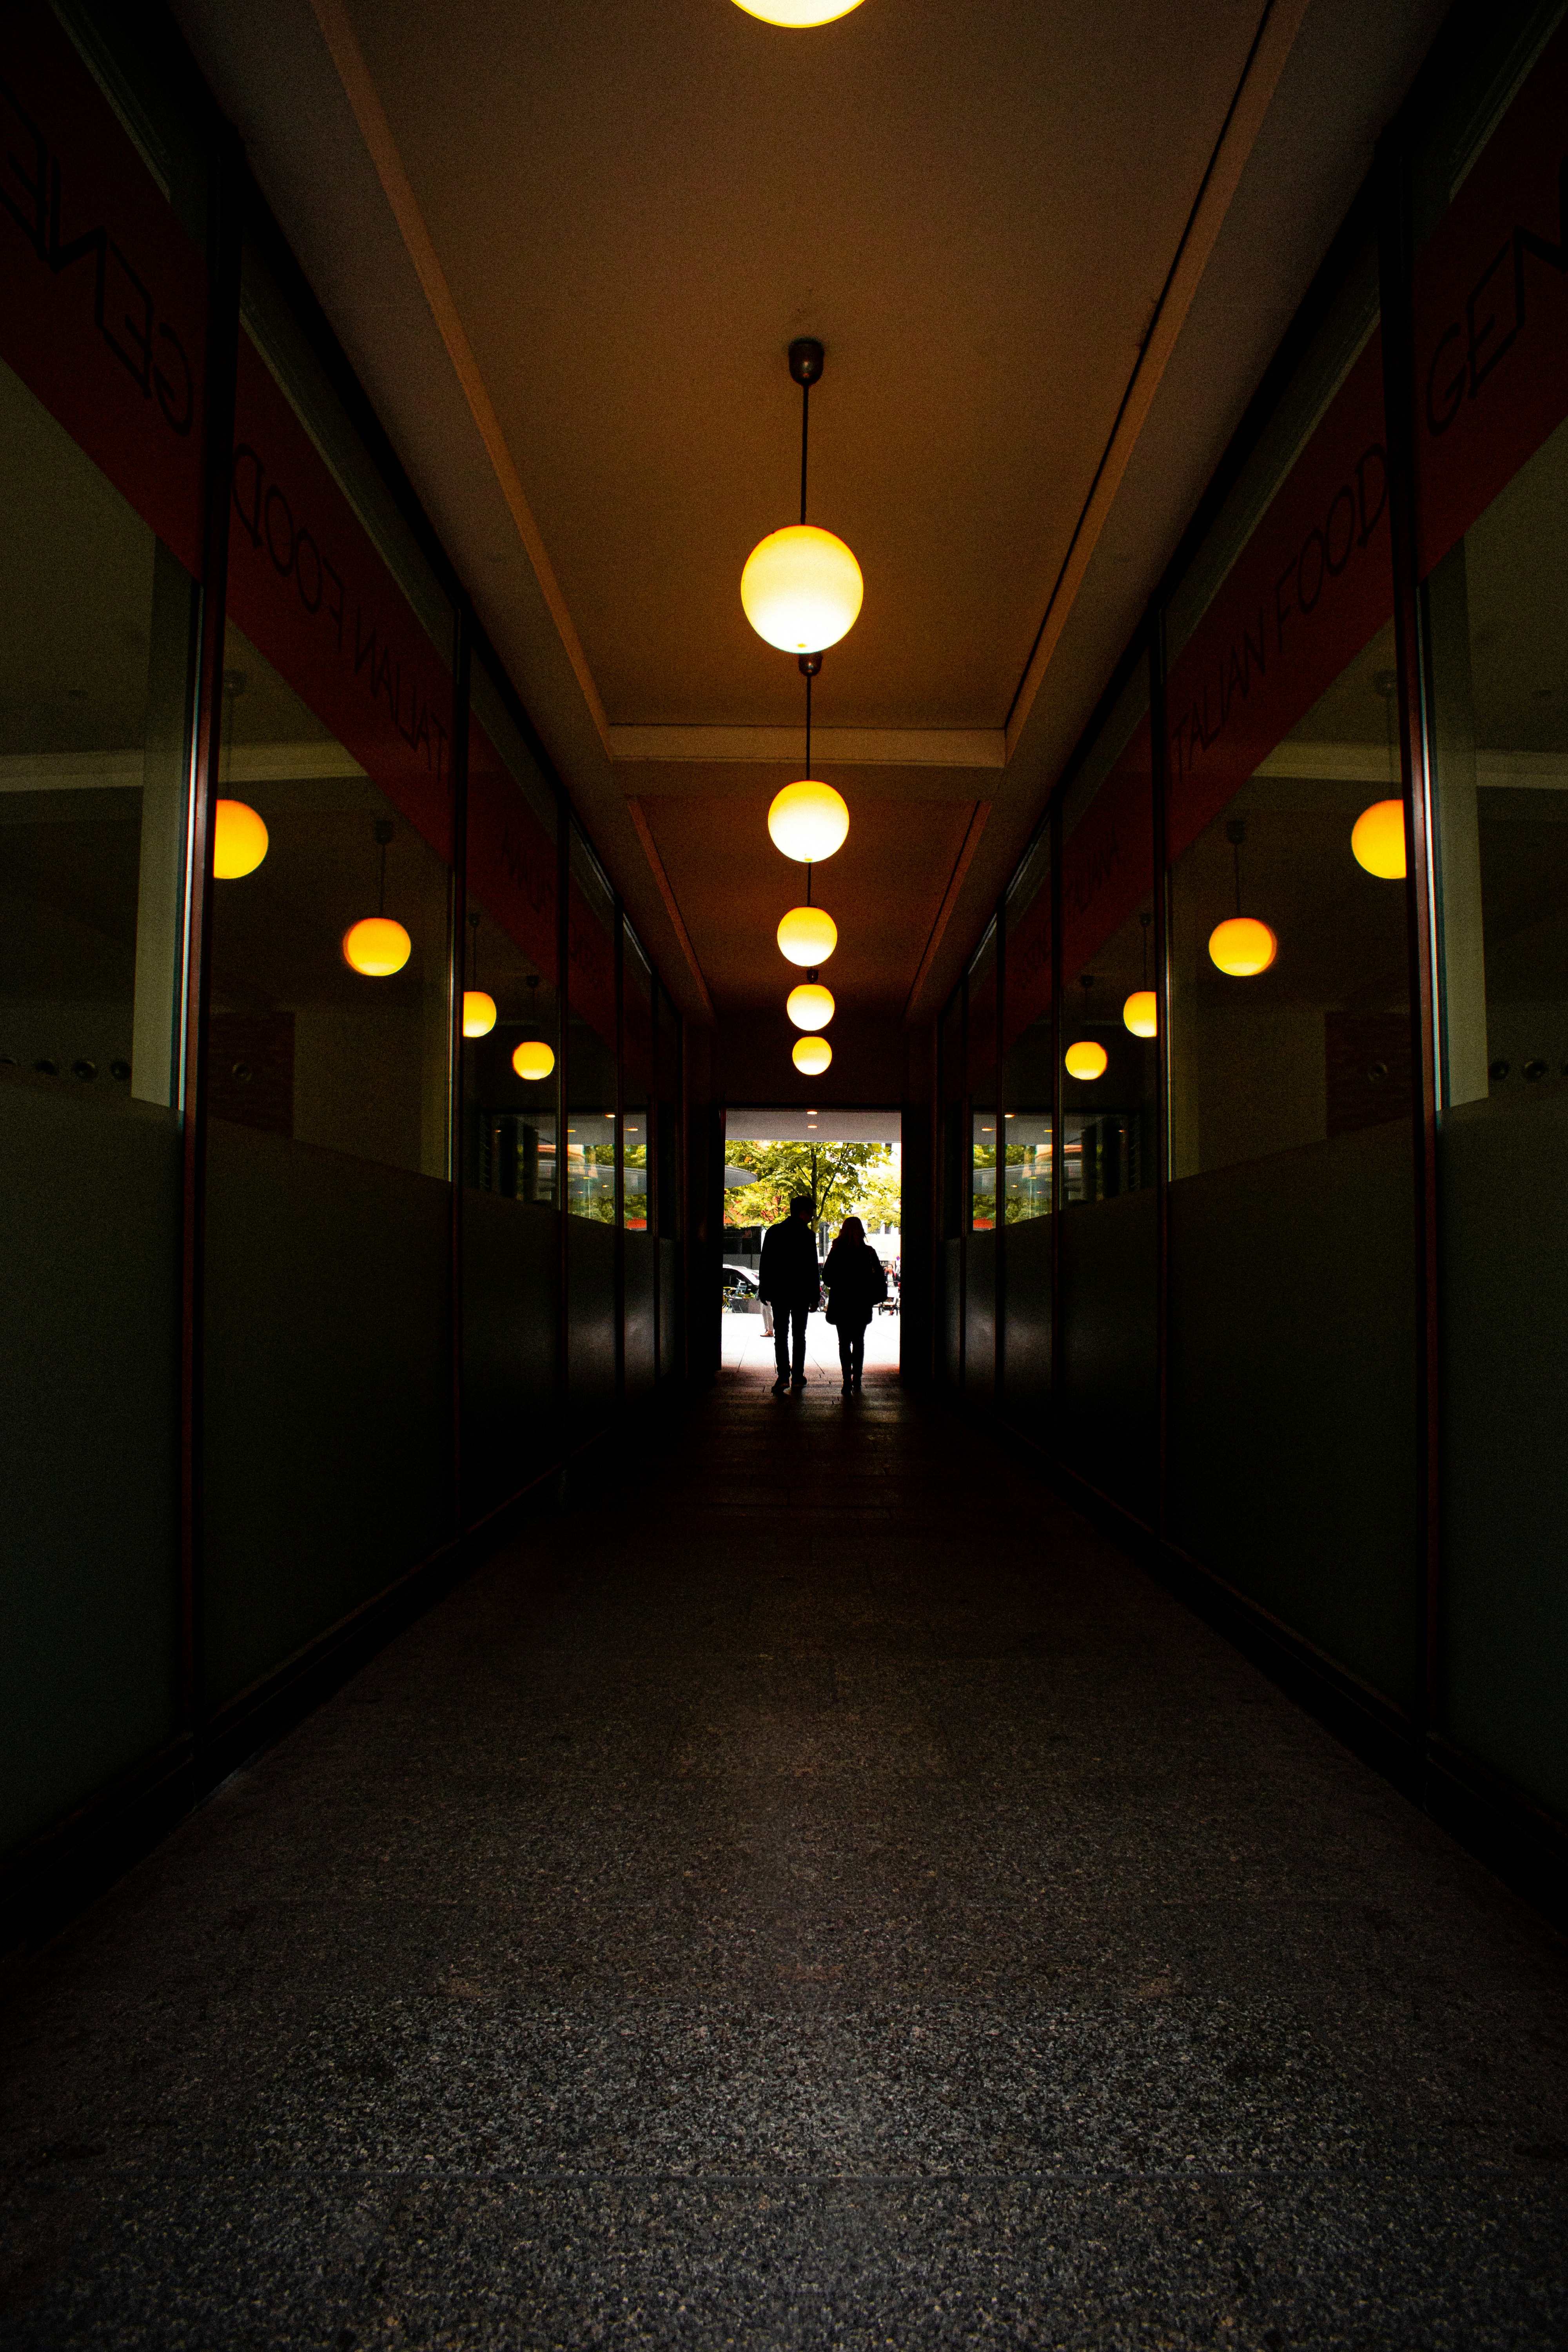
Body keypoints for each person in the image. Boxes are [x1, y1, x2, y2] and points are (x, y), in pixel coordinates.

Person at [758, 1194, 821, 1393]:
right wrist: (815, 1296)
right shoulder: (808, 1236)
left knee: (781, 1335)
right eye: (810, 1214)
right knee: (799, 1335)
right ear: (803, 1213)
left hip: (780, 1292)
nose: (811, 1217)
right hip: (801, 1293)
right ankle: (798, 1376)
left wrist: (764, 1289)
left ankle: (783, 1376)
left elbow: (765, 1263)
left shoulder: (774, 1232)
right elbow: (813, 1269)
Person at [822, 1215, 887, 1394]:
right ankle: (857, 1379)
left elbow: (826, 1277)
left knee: (844, 1342)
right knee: (859, 1341)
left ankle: (846, 1381)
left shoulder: (837, 1252)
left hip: (841, 1303)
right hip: (862, 1303)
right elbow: (880, 1277)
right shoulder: (869, 1252)